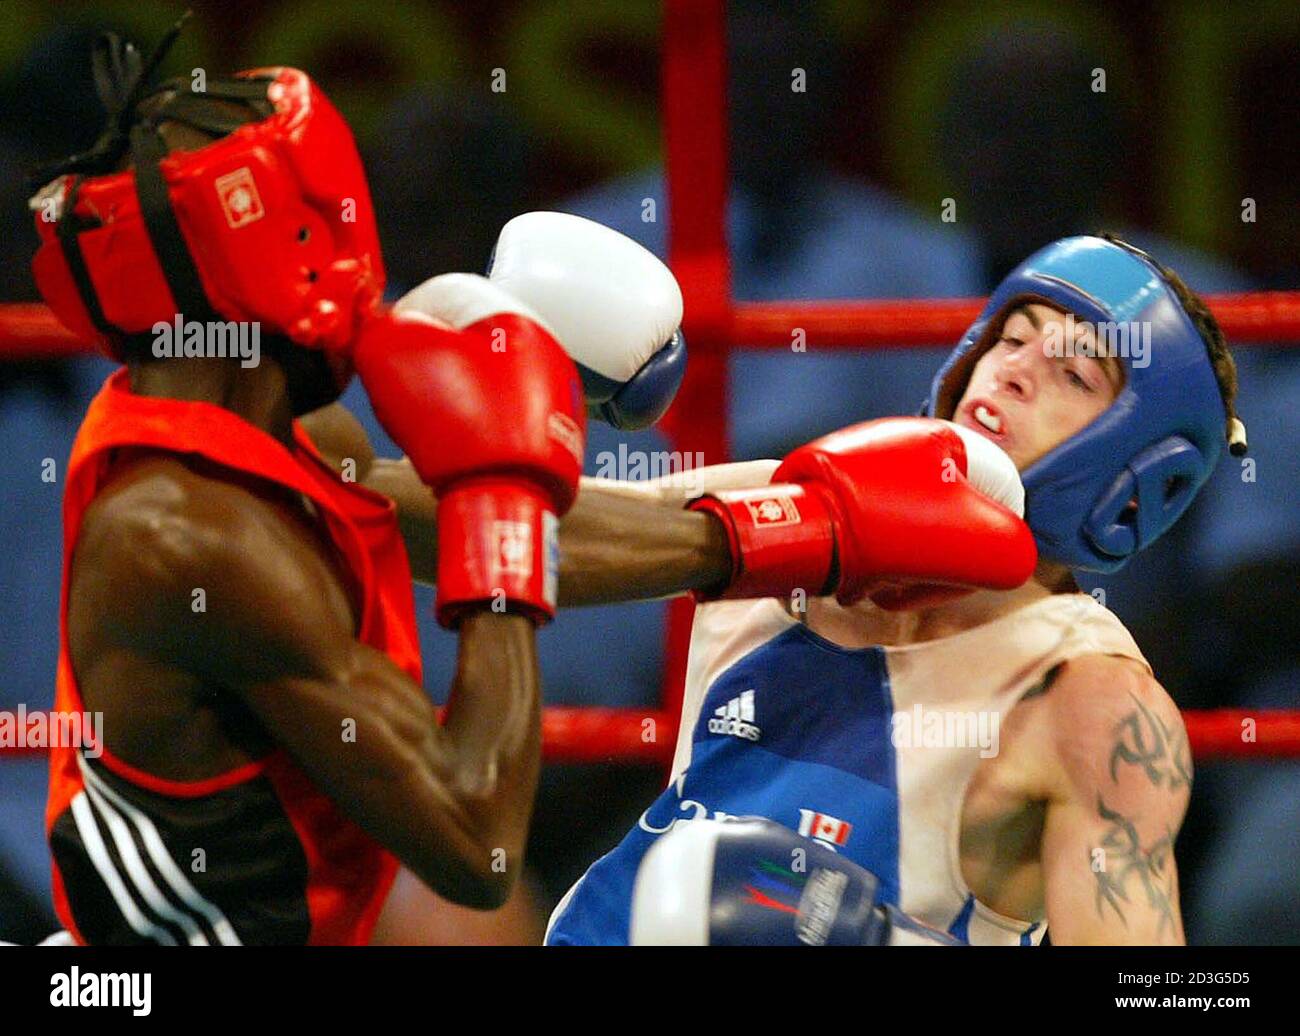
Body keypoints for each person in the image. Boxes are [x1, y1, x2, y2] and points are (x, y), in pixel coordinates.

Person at [28, 29, 635, 945]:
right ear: (282, 243)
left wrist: (775, 531)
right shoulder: (181, 533)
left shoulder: (294, 437)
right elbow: (479, 847)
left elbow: (528, 527)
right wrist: (500, 508)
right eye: (319, 217)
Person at [540, 235, 1248, 945]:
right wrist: (501, 405)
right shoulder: (784, 503)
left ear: (1134, 489)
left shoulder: (1094, 705)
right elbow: (489, 537)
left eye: (1073, 375)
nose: (1015, 373)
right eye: (1011, 338)